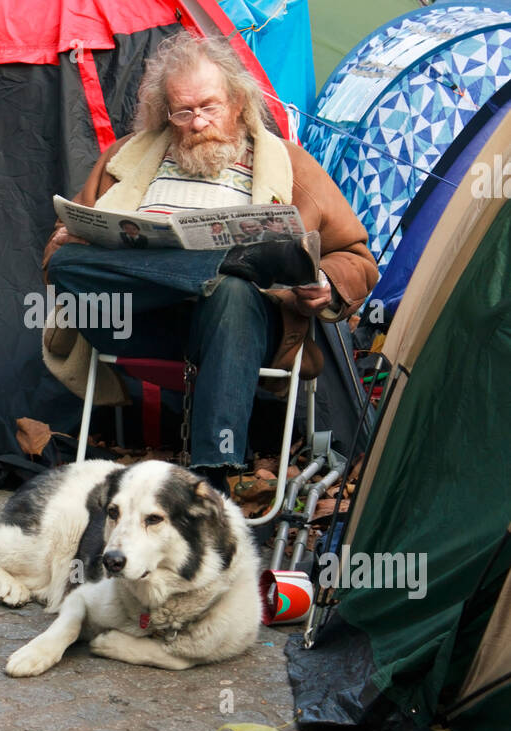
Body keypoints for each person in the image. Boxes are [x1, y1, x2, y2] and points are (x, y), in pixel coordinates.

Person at [42, 33, 378, 483]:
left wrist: (328, 284)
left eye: (209, 107)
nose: (197, 122)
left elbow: (357, 258)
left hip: (238, 327)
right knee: (67, 266)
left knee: (234, 293)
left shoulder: (291, 167)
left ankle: (211, 481)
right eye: (183, 111)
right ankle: (222, 267)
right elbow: (57, 263)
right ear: (167, 113)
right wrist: (71, 239)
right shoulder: (127, 156)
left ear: (237, 102)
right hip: (139, 321)